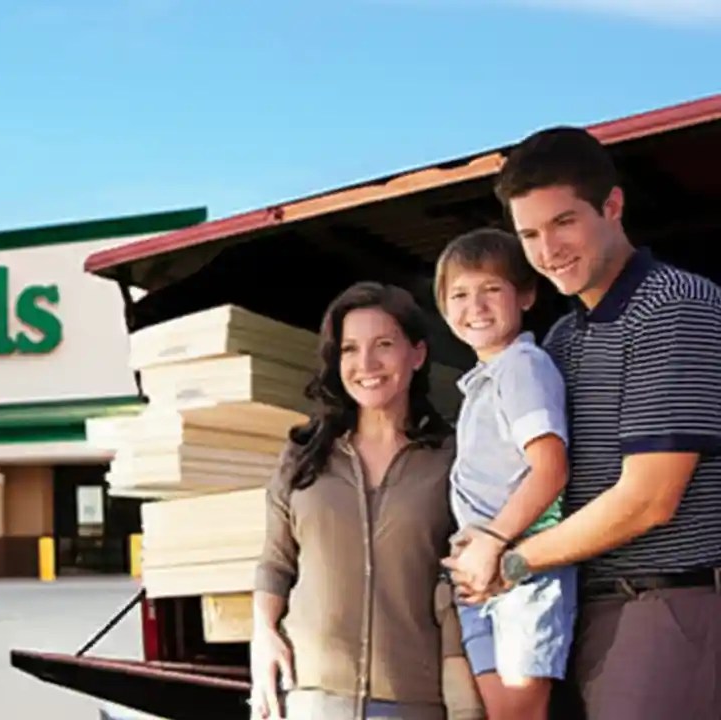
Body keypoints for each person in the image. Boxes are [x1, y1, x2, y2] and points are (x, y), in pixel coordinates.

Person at [445, 126, 721, 719]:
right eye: (530, 234)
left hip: (666, 602)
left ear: (612, 206)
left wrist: (509, 559)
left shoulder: (673, 306)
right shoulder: (562, 339)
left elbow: (650, 500)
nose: (548, 251)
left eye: (564, 222)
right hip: (580, 610)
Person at [249, 281, 485, 720]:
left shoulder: (452, 459)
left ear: (417, 354)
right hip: (309, 697)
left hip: (413, 700)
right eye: (350, 349)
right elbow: (276, 563)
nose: (367, 364)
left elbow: (463, 577)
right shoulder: (304, 454)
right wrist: (262, 635)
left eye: (384, 345)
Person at [433, 227, 577, 719]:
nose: (475, 306)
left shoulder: (523, 367)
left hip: (520, 572)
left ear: (527, 294)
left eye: (491, 289)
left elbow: (550, 470)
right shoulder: (483, 382)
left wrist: (493, 541)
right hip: (484, 572)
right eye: (459, 294)